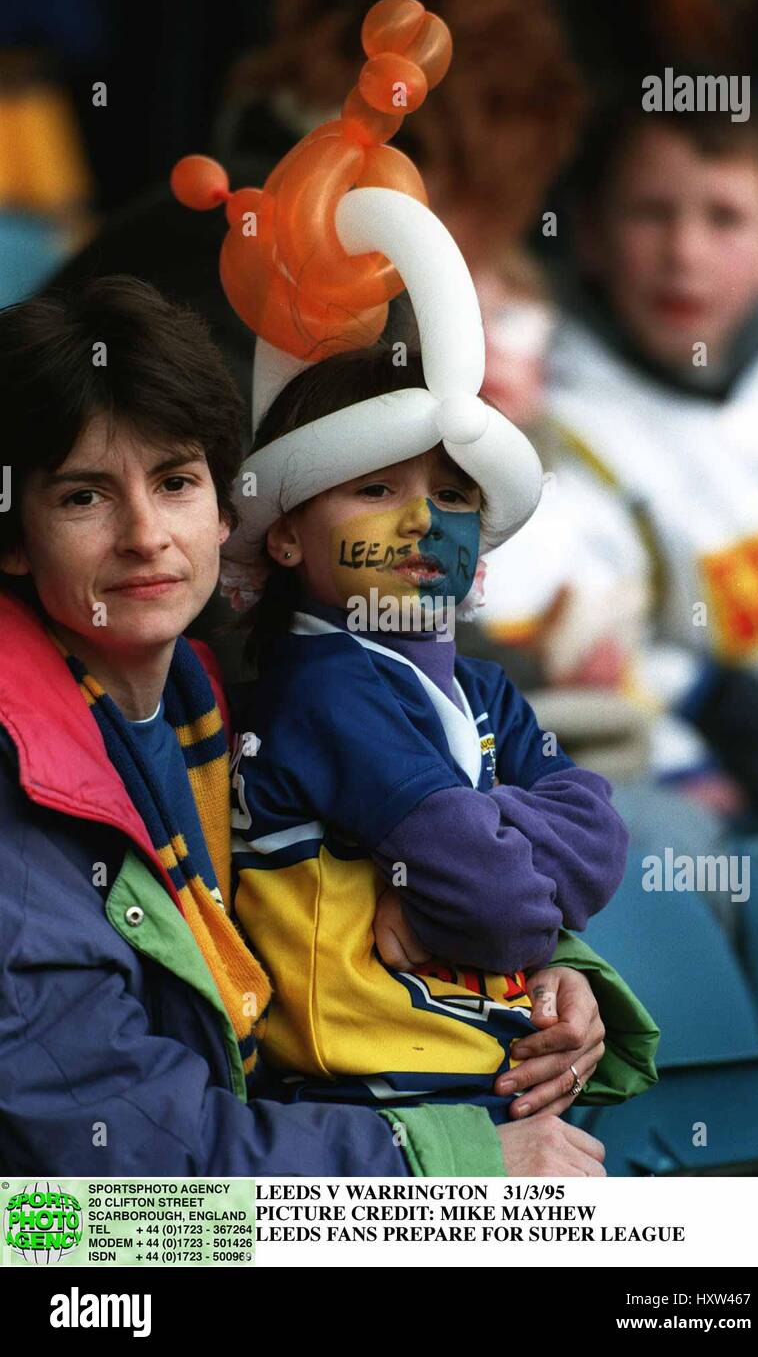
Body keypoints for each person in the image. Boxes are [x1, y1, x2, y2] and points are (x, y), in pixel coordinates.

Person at [0, 274, 624, 1177]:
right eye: (84, 498)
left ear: (225, 514)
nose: (145, 535)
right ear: (14, 538)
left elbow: (503, 862)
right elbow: (110, 1181)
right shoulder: (24, 791)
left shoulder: (212, 707)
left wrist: (556, 976)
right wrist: (449, 1168)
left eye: (174, 482)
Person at [224, 343, 659, 1122]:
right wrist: (480, 872)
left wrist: (447, 873)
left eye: (455, 495)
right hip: (362, 1107)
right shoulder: (324, 685)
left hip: (476, 1076)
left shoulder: (484, 686)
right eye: (375, 487)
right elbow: (494, 906)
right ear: (285, 536)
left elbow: (599, 842)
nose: (423, 519)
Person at [480, 102, 758, 820]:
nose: (683, 252)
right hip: (731, 785)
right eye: (650, 214)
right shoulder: (553, 426)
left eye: (722, 218)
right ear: (588, 234)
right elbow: (601, 666)